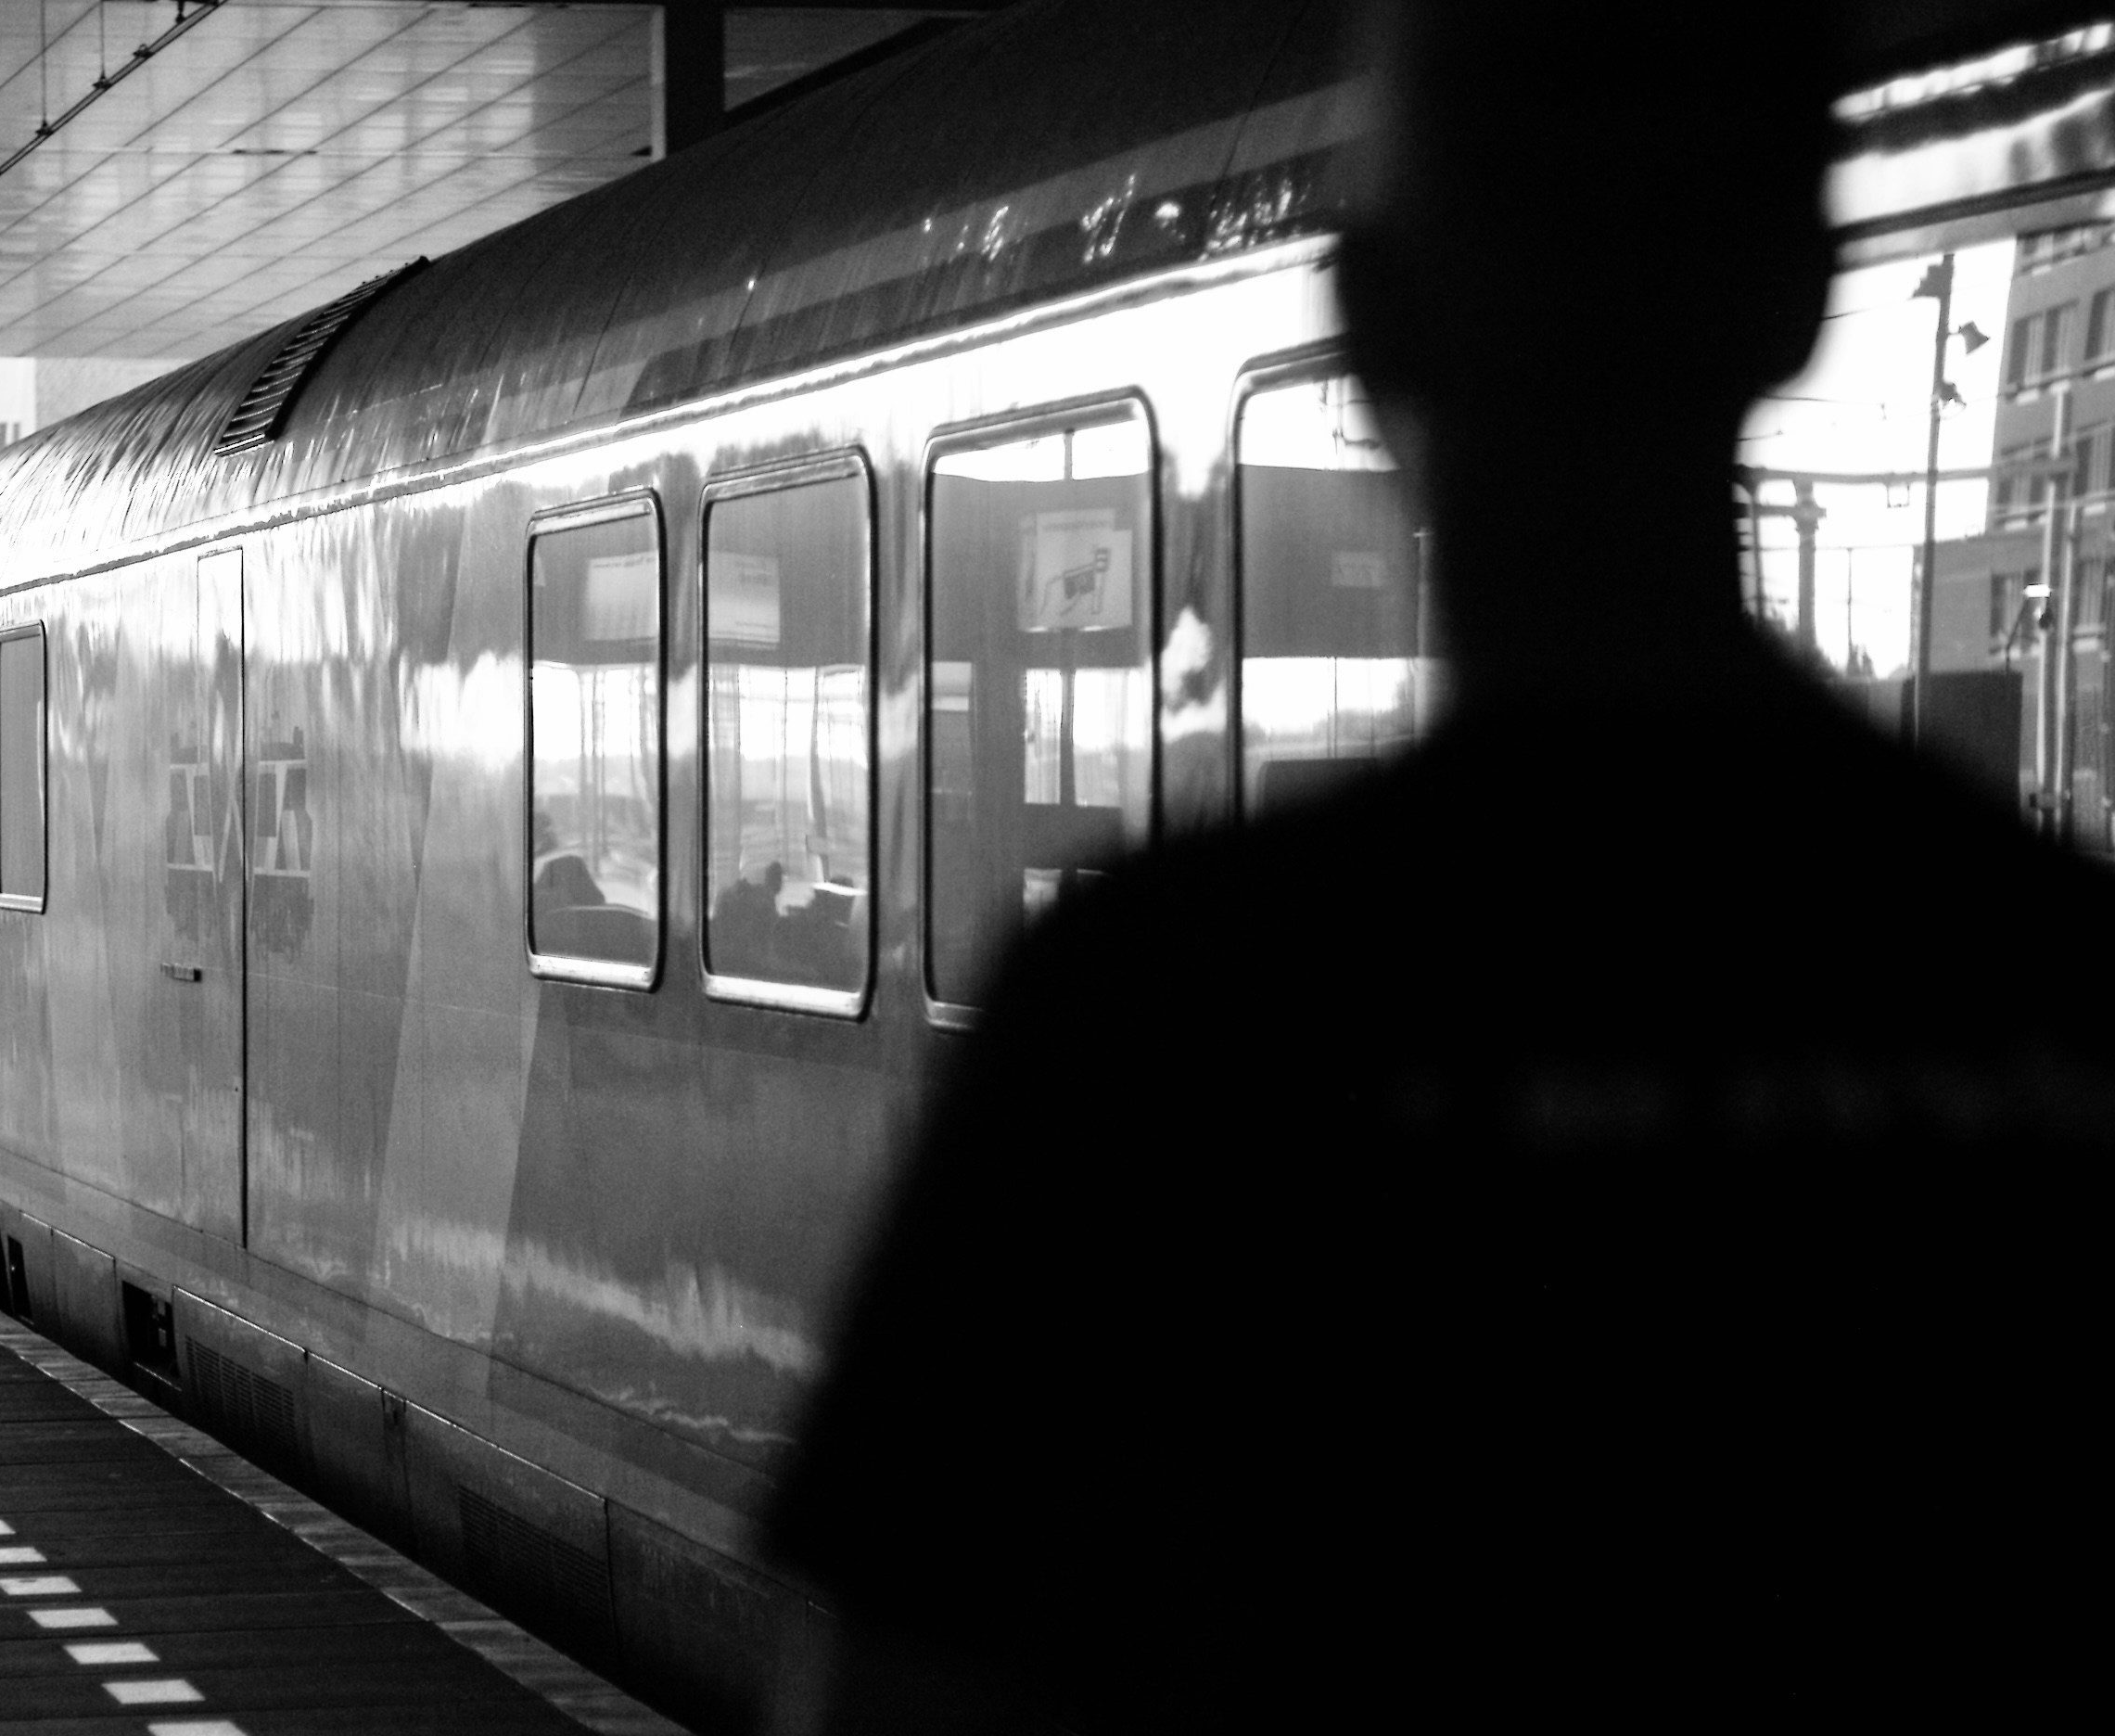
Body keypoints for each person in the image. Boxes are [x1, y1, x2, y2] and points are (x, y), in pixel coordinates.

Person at [763, 6, 2102, 1733]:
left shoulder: (1155, 1011)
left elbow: (912, 1689)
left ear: (1370, 316)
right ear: (1799, 286)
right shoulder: (2062, 983)